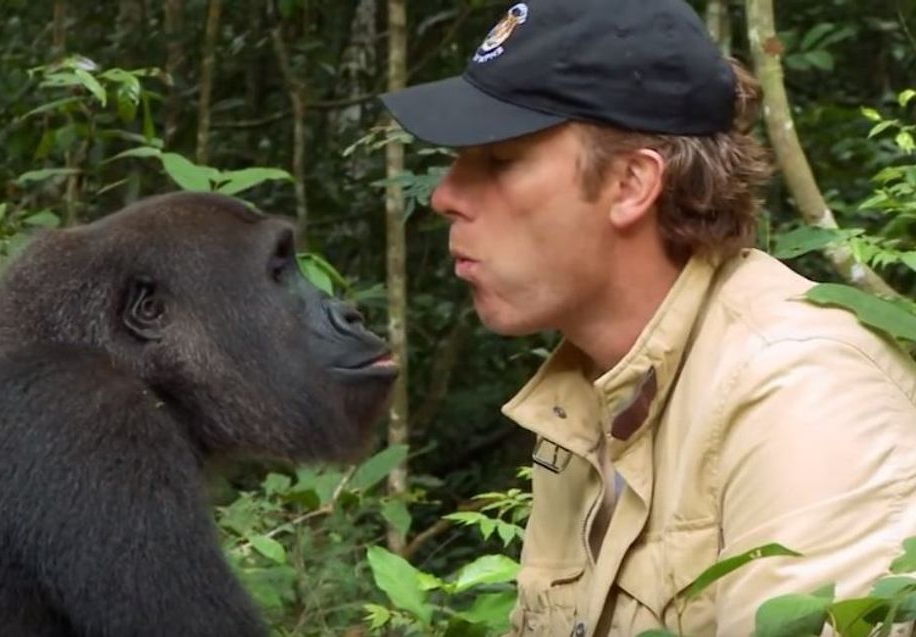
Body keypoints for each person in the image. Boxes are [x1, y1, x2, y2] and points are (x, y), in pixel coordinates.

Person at [379, 1, 916, 635]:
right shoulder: (587, 399)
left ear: (632, 183)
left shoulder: (799, 393)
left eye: (500, 161)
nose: (445, 195)